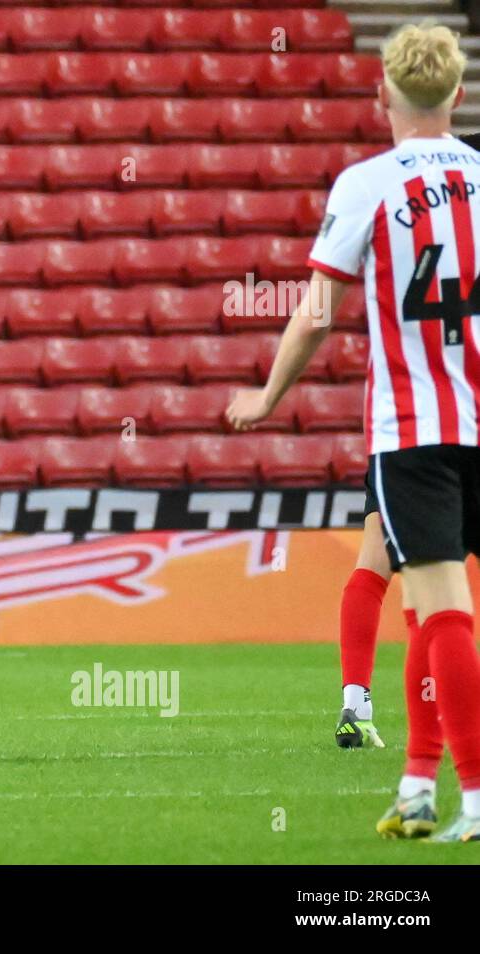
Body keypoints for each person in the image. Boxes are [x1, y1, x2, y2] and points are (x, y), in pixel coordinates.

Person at [228, 22, 480, 841]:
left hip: (413, 431)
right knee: (427, 605)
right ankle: (416, 785)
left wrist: (269, 394)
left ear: (382, 95)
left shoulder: (365, 186)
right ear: (459, 95)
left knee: (441, 607)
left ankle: (472, 801)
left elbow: (316, 314)